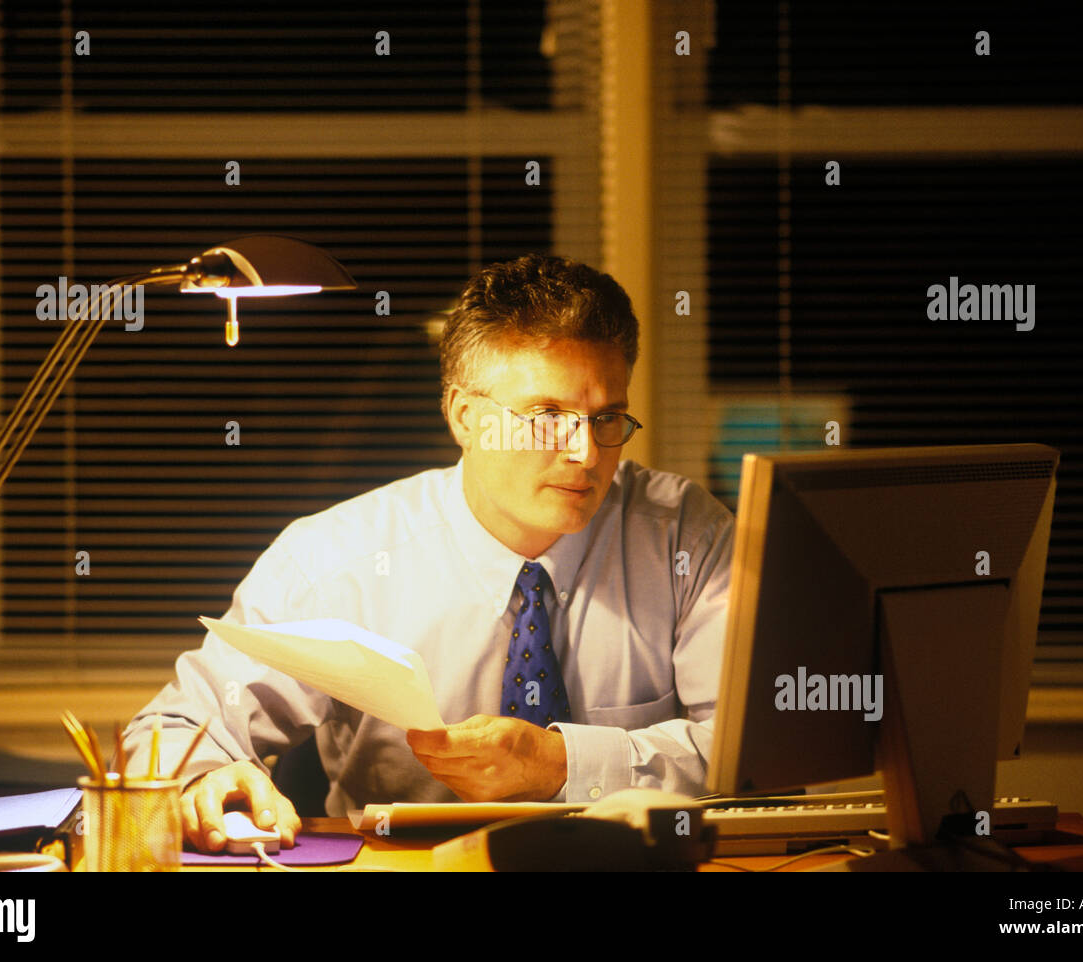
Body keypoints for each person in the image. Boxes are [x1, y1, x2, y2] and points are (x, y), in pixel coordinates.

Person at [122, 254, 733, 853]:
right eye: (547, 415)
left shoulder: (685, 539)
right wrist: (206, 778)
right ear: (465, 417)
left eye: (607, 417)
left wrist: (561, 762)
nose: (586, 452)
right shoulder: (338, 560)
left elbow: (745, 758)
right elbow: (171, 730)